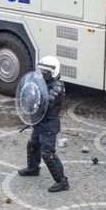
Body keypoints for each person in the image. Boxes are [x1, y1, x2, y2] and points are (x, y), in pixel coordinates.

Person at [17, 55, 69, 193]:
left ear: (53, 71)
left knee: (48, 154)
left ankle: (62, 181)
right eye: (42, 70)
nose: (42, 73)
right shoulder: (41, 82)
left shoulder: (57, 86)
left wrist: (33, 98)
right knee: (33, 145)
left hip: (49, 125)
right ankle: (33, 168)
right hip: (39, 122)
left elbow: (46, 101)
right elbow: (29, 94)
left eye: (45, 71)